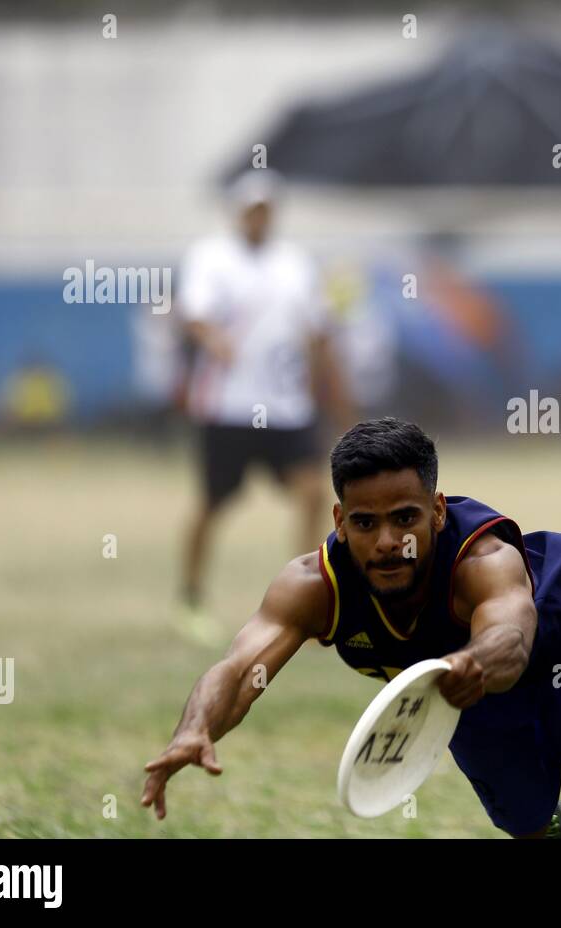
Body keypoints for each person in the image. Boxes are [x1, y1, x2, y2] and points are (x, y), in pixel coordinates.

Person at [142, 417, 561, 839]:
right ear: (338, 521)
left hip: (557, 658)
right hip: (459, 691)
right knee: (528, 822)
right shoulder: (313, 585)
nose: (385, 542)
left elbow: (512, 638)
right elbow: (239, 671)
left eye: (405, 517)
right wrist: (195, 728)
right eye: (364, 522)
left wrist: (471, 659)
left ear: (438, 511)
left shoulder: (482, 559)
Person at [177, 169, 352, 642]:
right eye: (251, 209)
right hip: (228, 407)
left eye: (266, 209)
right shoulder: (212, 258)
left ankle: (308, 597)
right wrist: (214, 340)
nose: (259, 217)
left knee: (313, 492)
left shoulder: (294, 264)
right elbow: (193, 315)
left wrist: (327, 388)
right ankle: (191, 596)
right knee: (213, 503)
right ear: (237, 213)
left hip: (284, 407)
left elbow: (317, 330)